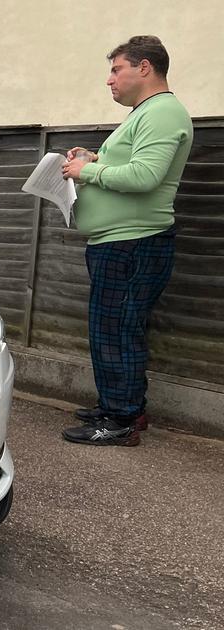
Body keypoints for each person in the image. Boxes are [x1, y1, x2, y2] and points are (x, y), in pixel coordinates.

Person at [59, 35, 193, 447]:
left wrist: (85, 173)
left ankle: (120, 420)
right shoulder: (146, 113)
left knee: (118, 330)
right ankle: (118, 405)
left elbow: (145, 177)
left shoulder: (163, 112)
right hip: (121, 242)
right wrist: (95, 158)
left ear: (145, 68)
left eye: (117, 69)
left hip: (133, 243)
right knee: (111, 329)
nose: (109, 80)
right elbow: (131, 164)